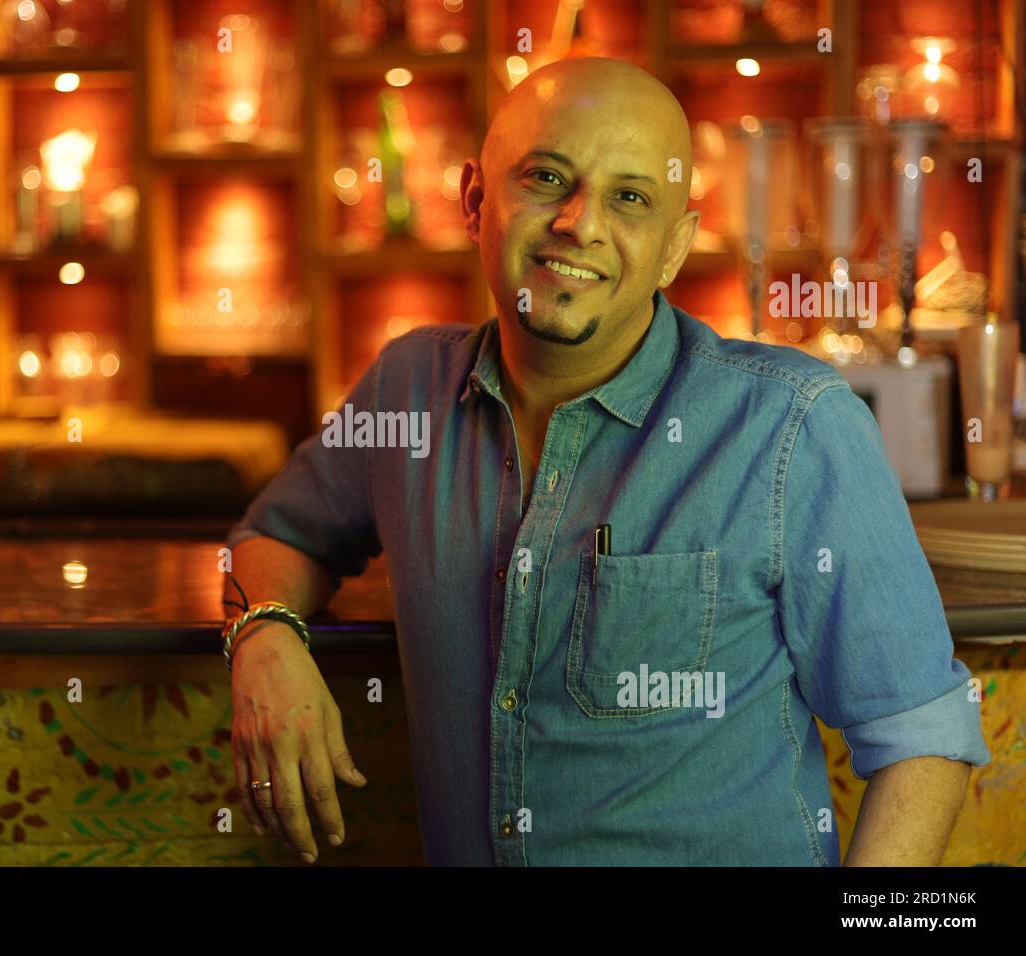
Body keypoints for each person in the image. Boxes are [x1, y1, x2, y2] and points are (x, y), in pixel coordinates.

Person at [221, 57, 990, 866]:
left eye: (630, 197)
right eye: (548, 177)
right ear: (476, 201)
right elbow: (275, 536)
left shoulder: (792, 425)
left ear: (673, 247)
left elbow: (920, 735)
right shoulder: (407, 389)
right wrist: (265, 638)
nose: (580, 223)